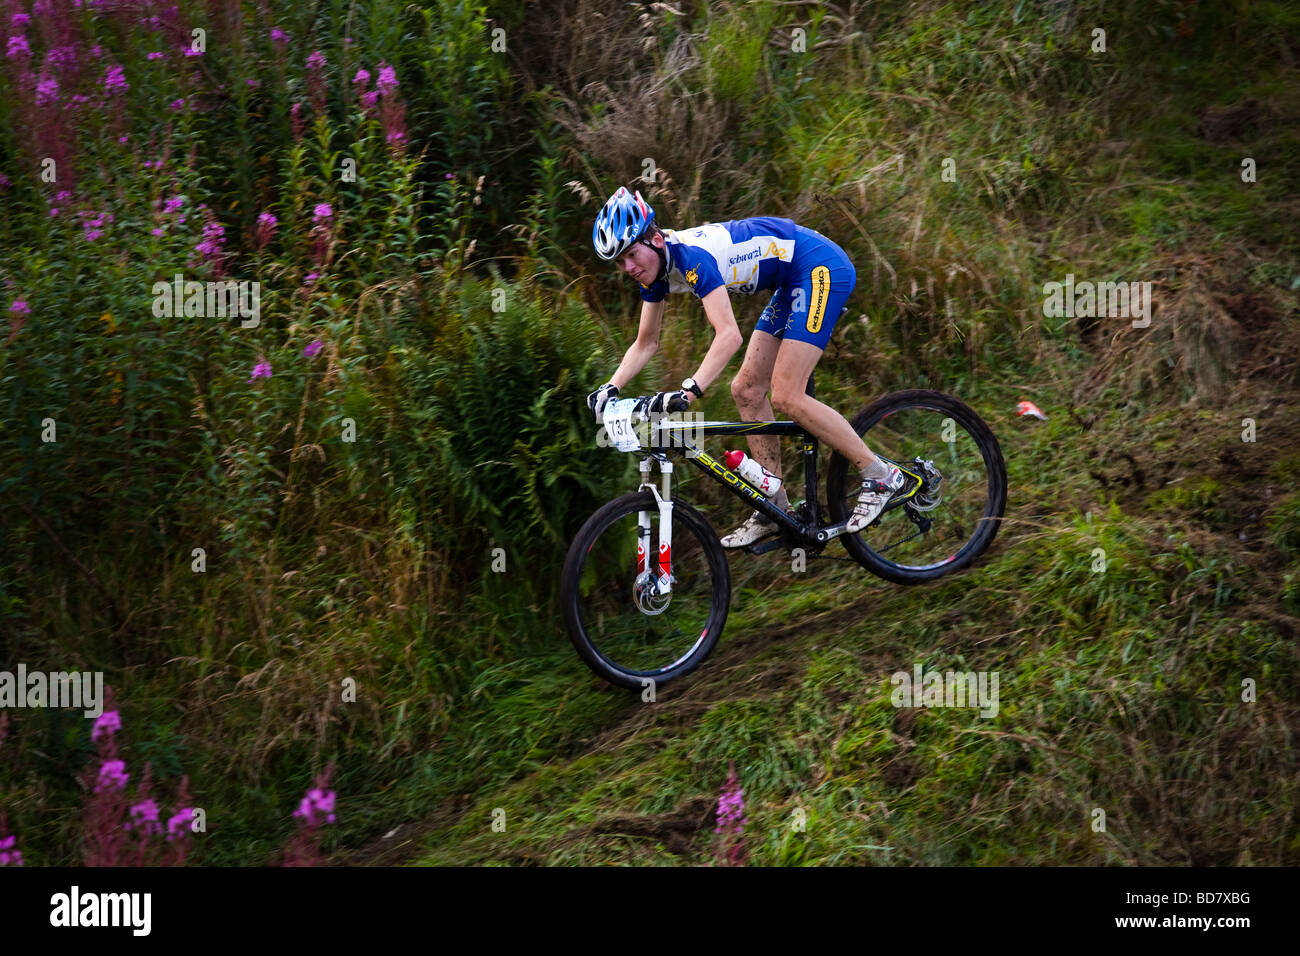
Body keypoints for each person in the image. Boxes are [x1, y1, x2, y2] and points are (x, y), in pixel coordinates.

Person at [586, 186, 903, 548]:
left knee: (787, 394)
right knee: (747, 391)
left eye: (630, 254)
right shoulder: (656, 271)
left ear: (656, 239)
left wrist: (690, 390)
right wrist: (611, 387)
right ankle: (776, 507)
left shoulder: (691, 259)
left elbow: (728, 335)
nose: (627, 268)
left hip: (818, 265)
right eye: (619, 262)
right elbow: (647, 342)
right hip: (789, 280)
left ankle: (880, 475)